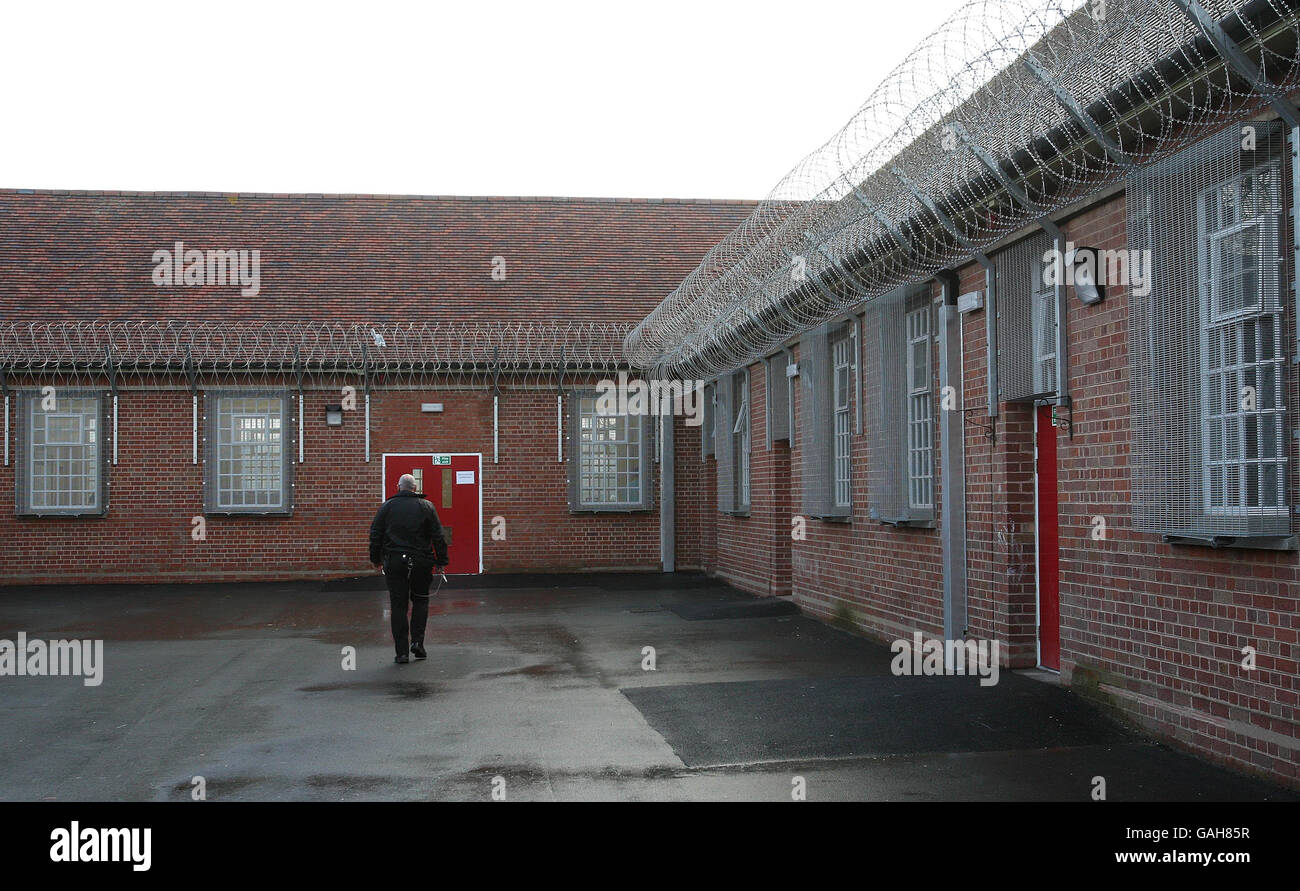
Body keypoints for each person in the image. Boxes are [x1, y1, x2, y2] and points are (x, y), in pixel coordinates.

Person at [369, 473, 449, 663]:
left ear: (398, 486)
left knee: (398, 605)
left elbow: (375, 534)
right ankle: (418, 643)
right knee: (420, 601)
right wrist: (441, 561)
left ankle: (402, 652)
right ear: (415, 488)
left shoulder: (387, 506)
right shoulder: (426, 507)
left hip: (395, 561)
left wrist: (376, 559)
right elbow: (438, 536)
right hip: (421, 562)